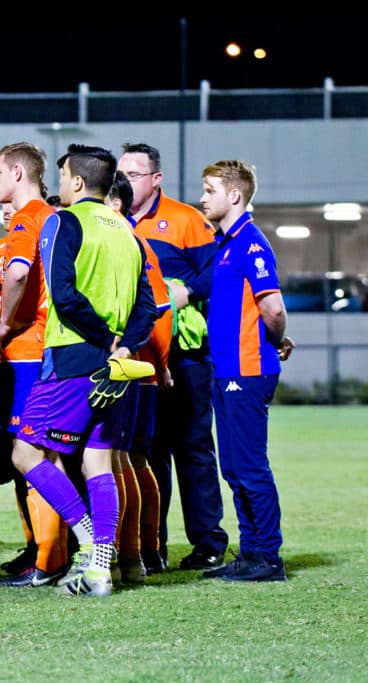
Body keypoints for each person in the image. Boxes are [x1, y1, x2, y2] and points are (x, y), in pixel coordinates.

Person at [7, 144, 158, 598]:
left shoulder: (62, 222)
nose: (59, 185)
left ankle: (92, 542)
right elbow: (148, 308)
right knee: (98, 461)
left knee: (25, 454)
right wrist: (124, 344)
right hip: (117, 365)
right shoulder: (128, 232)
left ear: (76, 181)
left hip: (72, 359)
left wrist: (104, 338)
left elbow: (64, 295)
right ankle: (100, 571)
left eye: (62, 177)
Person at [119, 142, 228, 572]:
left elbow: (218, 269)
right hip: (139, 358)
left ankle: (209, 544)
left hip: (185, 355)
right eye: (122, 174)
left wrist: (190, 291)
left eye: (134, 175)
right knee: (148, 452)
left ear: (156, 179)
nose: (125, 182)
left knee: (194, 447)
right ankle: (153, 546)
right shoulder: (115, 220)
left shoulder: (185, 219)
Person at [199, 159, 294, 582]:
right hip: (226, 370)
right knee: (235, 468)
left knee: (250, 466)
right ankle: (251, 551)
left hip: (247, 370)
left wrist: (276, 339)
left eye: (210, 190)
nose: (203, 198)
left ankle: (267, 557)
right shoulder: (226, 244)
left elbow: (273, 309)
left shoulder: (251, 243)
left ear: (234, 195)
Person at [0, 142, 66, 589]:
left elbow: (17, 273)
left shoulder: (26, 218)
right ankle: (44, 550)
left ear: (18, 173)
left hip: (28, 355)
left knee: (31, 456)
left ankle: (49, 559)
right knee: (37, 458)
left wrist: (3, 325)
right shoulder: (53, 217)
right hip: (47, 351)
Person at [106, 171, 174, 584]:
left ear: (113, 203)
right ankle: (141, 550)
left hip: (133, 371)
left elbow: (158, 311)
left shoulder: (130, 243)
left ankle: (139, 549)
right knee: (128, 459)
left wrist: (161, 366)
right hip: (135, 369)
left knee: (124, 459)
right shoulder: (129, 240)